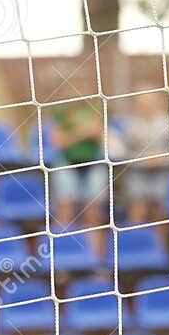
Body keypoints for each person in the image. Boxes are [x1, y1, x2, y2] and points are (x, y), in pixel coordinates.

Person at [48, 96, 109, 236]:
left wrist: (94, 131)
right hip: (66, 163)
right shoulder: (60, 113)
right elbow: (58, 142)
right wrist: (82, 132)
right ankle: (63, 249)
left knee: (93, 212)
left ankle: (94, 255)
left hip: (92, 164)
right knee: (65, 210)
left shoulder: (95, 110)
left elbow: (103, 141)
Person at [113, 89, 169, 225]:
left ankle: (161, 245)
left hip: (162, 170)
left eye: (150, 103)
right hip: (136, 171)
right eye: (143, 103)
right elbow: (123, 152)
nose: (146, 107)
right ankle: (136, 242)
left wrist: (161, 159)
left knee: (159, 206)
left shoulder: (167, 123)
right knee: (137, 205)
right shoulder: (130, 125)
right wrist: (142, 160)